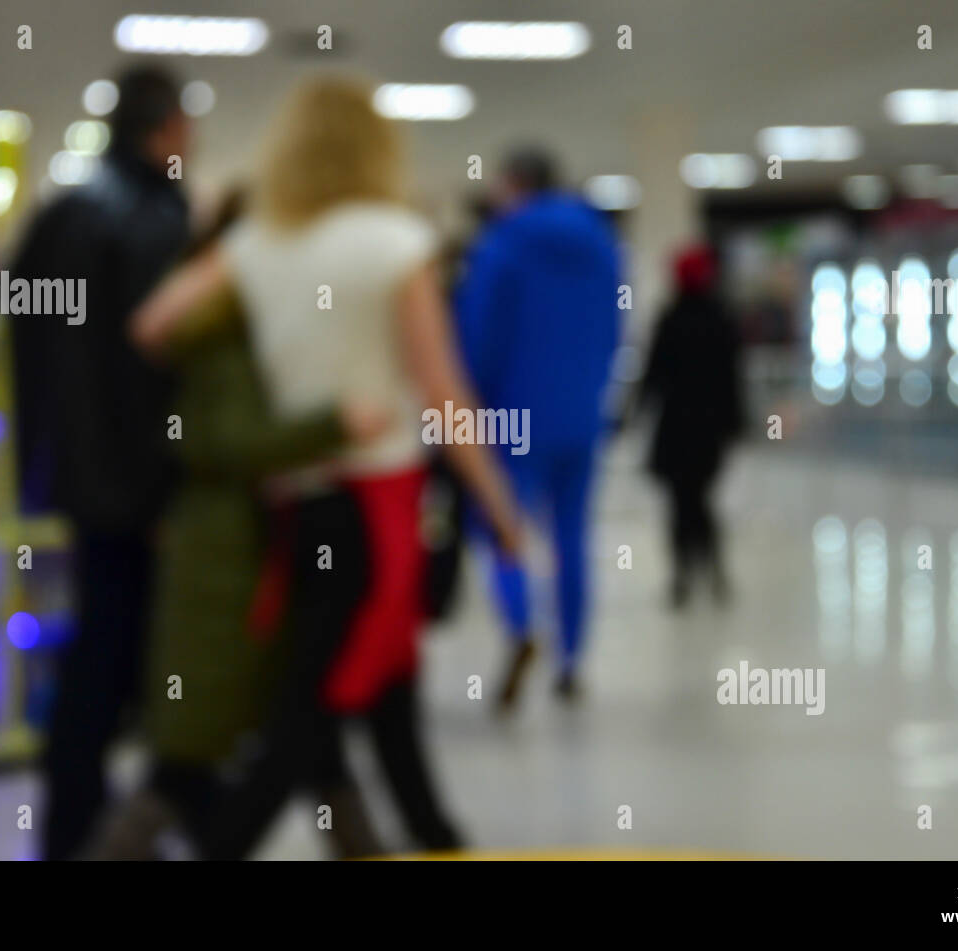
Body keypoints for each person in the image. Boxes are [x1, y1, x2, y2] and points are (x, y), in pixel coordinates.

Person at [131, 76, 523, 858]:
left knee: (383, 682)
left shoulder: (259, 242)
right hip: (379, 502)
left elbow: (153, 323)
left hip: (298, 501)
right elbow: (444, 393)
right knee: (313, 708)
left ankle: (433, 833)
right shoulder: (393, 239)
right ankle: (231, 844)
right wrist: (501, 512)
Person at [83, 194, 390, 860]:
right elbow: (230, 438)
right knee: (202, 750)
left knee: (302, 734)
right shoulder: (228, 335)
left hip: (247, 554)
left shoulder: (233, 327)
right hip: (224, 565)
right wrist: (337, 423)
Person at [8, 65, 191, 860]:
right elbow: (149, 372)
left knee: (93, 649)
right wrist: (158, 490)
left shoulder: (62, 214)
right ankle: (118, 823)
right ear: (168, 128)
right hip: (135, 485)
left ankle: (77, 813)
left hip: (77, 477)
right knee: (135, 658)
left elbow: (31, 345)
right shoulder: (149, 219)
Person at [454, 148, 622, 707]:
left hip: (513, 412)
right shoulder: (602, 245)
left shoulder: (501, 246)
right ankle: (570, 659)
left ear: (515, 184)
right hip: (581, 412)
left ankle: (521, 622)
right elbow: (615, 329)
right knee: (572, 536)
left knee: (501, 525)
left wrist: (468, 403)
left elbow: (482, 335)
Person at [634, 245, 744, 608]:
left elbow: (653, 375)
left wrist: (634, 413)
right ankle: (711, 570)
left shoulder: (671, 319)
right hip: (710, 431)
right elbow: (733, 380)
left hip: (677, 429)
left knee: (682, 503)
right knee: (700, 500)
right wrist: (735, 424)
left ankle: (685, 575)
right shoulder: (721, 319)